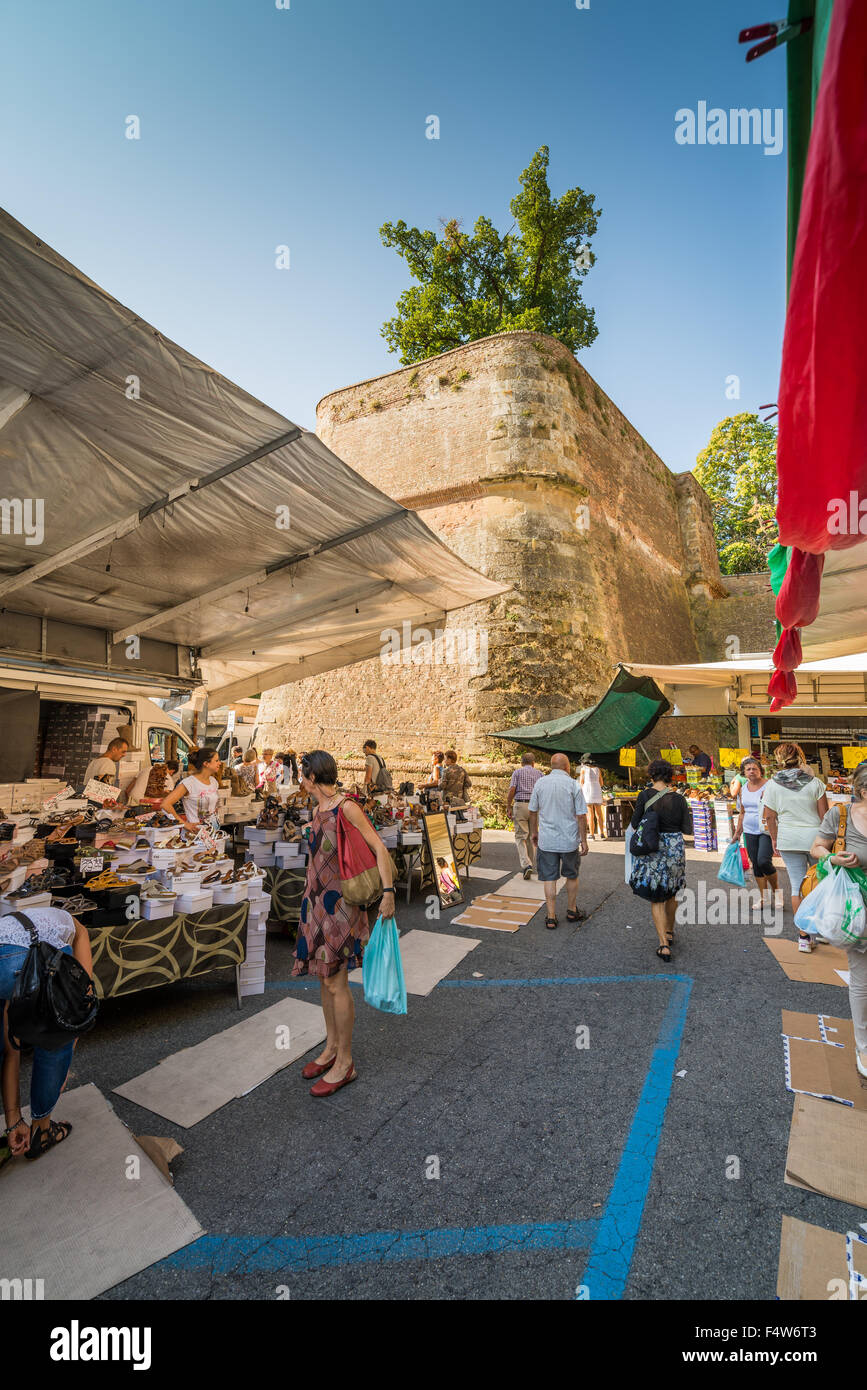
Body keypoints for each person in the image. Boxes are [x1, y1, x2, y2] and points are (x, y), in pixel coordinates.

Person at [292, 750, 395, 1097]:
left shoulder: (346, 807)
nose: (299, 781)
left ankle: (345, 1062)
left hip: (340, 906)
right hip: (316, 903)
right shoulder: (318, 809)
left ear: (311, 776)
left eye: (301, 775)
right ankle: (331, 1048)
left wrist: (389, 894)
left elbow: (379, 848)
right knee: (324, 981)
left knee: (337, 984)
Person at [1, 902, 94, 1160]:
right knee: (54, 1041)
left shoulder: (12, 922)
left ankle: (13, 1126)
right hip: (29, 959)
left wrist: (13, 1119)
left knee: (7, 1044)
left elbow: (12, 1050)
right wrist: (64, 1061)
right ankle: (41, 1131)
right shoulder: (76, 929)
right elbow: (79, 1006)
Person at [809, 764, 867, 1078]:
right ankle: (864, 1046)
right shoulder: (840, 815)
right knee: (861, 977)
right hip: (855, 909)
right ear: (863, 791)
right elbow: (816, 847)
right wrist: (832, 857)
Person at [762, 742, 828, 946]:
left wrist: (774, 839)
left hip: (788, 840)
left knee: (797, 887)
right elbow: (824, 816)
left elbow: (770, 818)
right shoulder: (815, 783)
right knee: (820, 885)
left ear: (779, 760)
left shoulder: (772, 785)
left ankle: (804, 936)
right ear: (800, 758)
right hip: (815, 839)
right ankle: (823, 930)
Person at [628, 759, 693, 962]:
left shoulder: (644, 795)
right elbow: (687, 829)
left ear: (651, 775)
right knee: (672, 891)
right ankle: (670, 931)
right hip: (674, 847)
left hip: (652, 846)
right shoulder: (680, 799)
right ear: (670, 776)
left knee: (657, 896)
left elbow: (635, 822)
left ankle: (663, 944)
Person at [528, 753, 588, 929]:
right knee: (571, 875)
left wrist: (534, 832)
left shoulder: (540, 783)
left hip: (547, 840)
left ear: (552, 766)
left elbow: (532, 811)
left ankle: (551, 916)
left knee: (549, 878)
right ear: (567, 767)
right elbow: (581, 816)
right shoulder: (573, 784)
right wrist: (583, 840)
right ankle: (571, 910)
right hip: (569, 840)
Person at [732, 756, 778, 907]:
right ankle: (763, 898)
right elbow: (742, 812)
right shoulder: (743, 789)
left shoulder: (770, 785)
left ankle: (777, 892)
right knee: (756, 865)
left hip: (766, 830)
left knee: (764, 861)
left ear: (761, 771)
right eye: (748, 769)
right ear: (744, 773)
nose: (751, 771)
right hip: (749, 830)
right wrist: (737, 833)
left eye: (754, 769)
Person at [506, 752, 544, 879]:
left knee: (520, 837)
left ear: (522, 762)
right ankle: (531, 865)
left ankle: (526, 865)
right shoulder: (539, 774)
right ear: (533, 763)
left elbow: (512, 789)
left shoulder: (517, 773)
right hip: (535, 807)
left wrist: (508, 805)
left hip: (521, 805)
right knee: (532, 837)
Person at [160, 747, 221, 826]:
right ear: (206, 763)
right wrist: (184, 824)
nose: (219, 763)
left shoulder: (213, 781)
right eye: (216, 760)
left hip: (212, 833)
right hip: (194, 835)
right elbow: (165, 804)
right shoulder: (189, 783)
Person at [578, 754, 606, 841]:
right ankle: (602, 834)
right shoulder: (598, 769)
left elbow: (581, 782)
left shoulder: (583, 769)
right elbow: (601, 783)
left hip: (588, 792)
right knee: (599, 813)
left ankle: (592, 834)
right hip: (597, 791)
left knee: (590, 814)